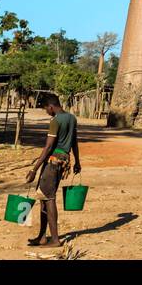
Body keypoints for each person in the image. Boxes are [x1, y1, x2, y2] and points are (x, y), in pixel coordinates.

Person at [24, 93, 81, 248]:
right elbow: (74, 142)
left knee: (49, 198)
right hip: (64, 160)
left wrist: (34, 169)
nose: (46, 112)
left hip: (53, 161)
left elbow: (48, 146)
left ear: (50, 106)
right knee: (43, 197)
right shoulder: (71, 118)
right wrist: (77, 161)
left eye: (46, 109)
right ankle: (42, 237)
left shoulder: (55, 121)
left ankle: (55, 239)